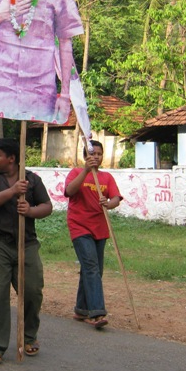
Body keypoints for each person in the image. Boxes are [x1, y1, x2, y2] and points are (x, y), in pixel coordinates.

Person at [0, 138, 52, 365]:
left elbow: (47, 207)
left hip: (26, 243)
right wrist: (11, 191)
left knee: (32, 290)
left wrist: (30, 211)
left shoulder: (32, 180)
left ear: (11, 158)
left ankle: (29, 336)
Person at [64, 141, 122, 329]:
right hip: (79, 226)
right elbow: (69, 191)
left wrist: (108, 203)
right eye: (92, 154)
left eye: (99, 153)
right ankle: (97, 312)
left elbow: (115, 199)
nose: (96, 157)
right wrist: (85, 171)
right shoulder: (75, 173)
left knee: (94, 269)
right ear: (85, 157)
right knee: (91, 267)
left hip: (100, 228)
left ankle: (81, 309)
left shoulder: (107, 177)